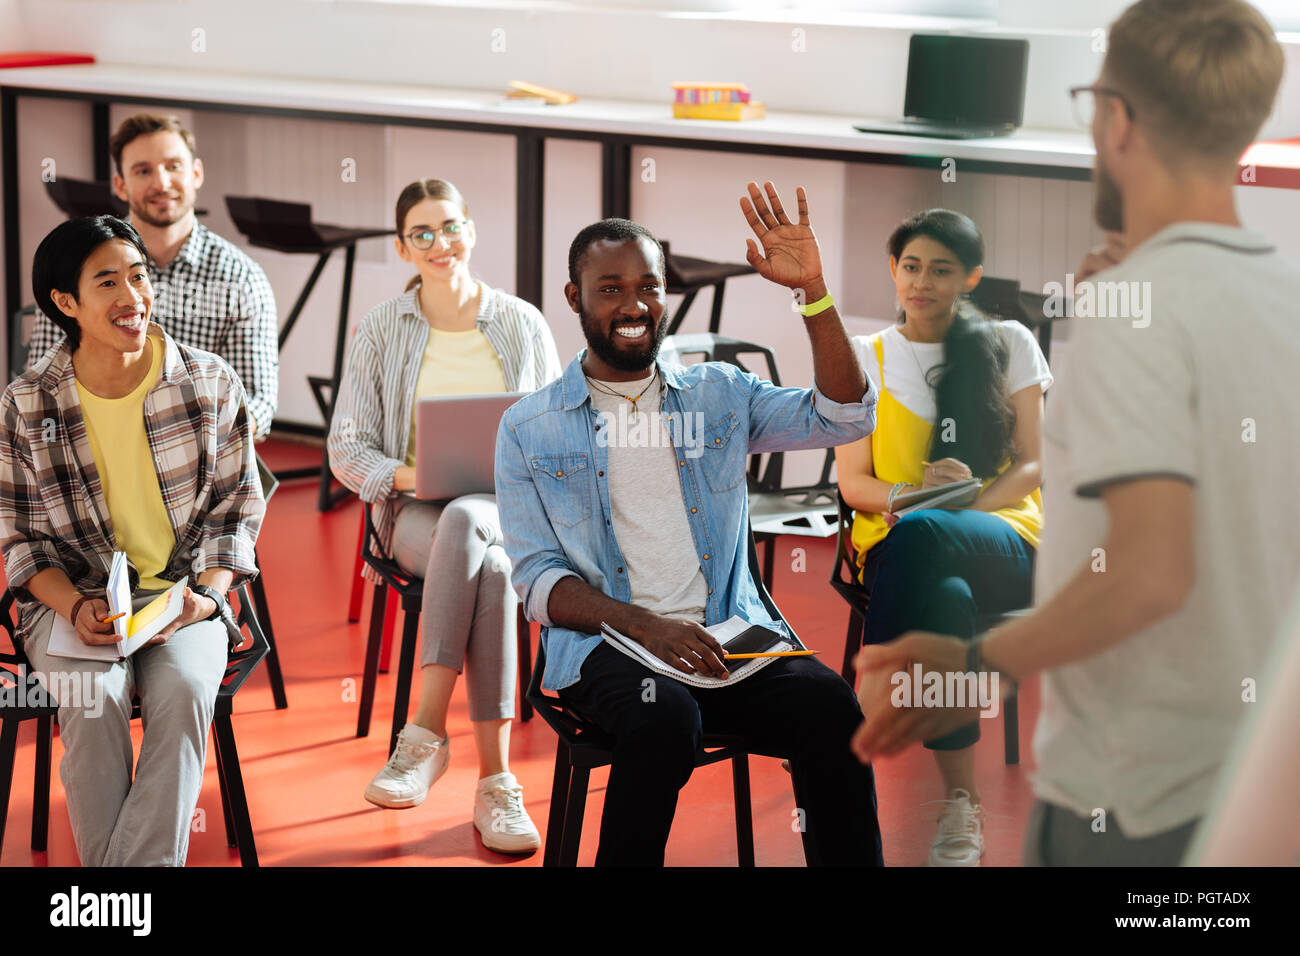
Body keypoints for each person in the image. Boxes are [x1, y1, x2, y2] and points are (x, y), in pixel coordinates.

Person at [851, 0, 1299, 867]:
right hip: (1264, 786)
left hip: (1137, 801)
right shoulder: (1283, 296)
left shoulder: (1134, 314)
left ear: (1117, 117)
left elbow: (1147, 570)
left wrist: (979, 660)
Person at [495, 182, 883, 867]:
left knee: (836, 714)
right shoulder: (529, 428)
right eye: (610, 288)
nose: (634, 304)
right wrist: (648, 626)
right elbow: (538, 583)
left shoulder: (719, 393)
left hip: (727, 641)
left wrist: (815, 292)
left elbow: (844, 414)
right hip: (608, 649)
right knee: (665, 718)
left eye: (649, 285)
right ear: (574, 298)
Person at [0, 215, 264, 866]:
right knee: (94, 704)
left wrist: (206, 595)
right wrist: (72, 606)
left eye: (140, 276)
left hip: (185, 596)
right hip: (74, 600)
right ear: (66, 303)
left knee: (183, 697)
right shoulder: (27, 404)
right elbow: (21, 541)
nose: (132, 297)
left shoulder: (209, 382)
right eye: (107, 282)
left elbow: (237, 513)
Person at [328, 178, 562, 854]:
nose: (440, 244)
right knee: (473, 543)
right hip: (413, 516)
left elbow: (552, 439)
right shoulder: (380, 328)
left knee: (482, 543)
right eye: (422, 234)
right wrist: (413, 475)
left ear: (472, 231)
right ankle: (497, 785)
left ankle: (424, 736)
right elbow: (347, 446)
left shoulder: (522, 323)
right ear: (404, 248)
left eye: (451, 227)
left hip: (509, 514)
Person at [835, 209, 1051, 866]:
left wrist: (964, 502)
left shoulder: (1009, 340)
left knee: (930, 535)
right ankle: (962, 807)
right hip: (905, 548)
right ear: (893, 271)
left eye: (941, 269)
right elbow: (854, 483)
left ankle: (855, 719)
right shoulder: (862, 358)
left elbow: (1038, 462)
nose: (921, 282)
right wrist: (917, 497)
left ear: (971, 278)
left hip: (1006, 538)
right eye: (910, 266)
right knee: (945, 595)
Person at [26, 113, 279, 439]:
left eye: (173, 166)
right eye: (143, 170)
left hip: (200, 449)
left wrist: (183, 446)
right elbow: (44, 384)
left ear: (196, 173)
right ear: (120, 185)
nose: (161, 183)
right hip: (94, 440)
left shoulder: (242, 279)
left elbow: (255, 401)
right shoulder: (75, 267)